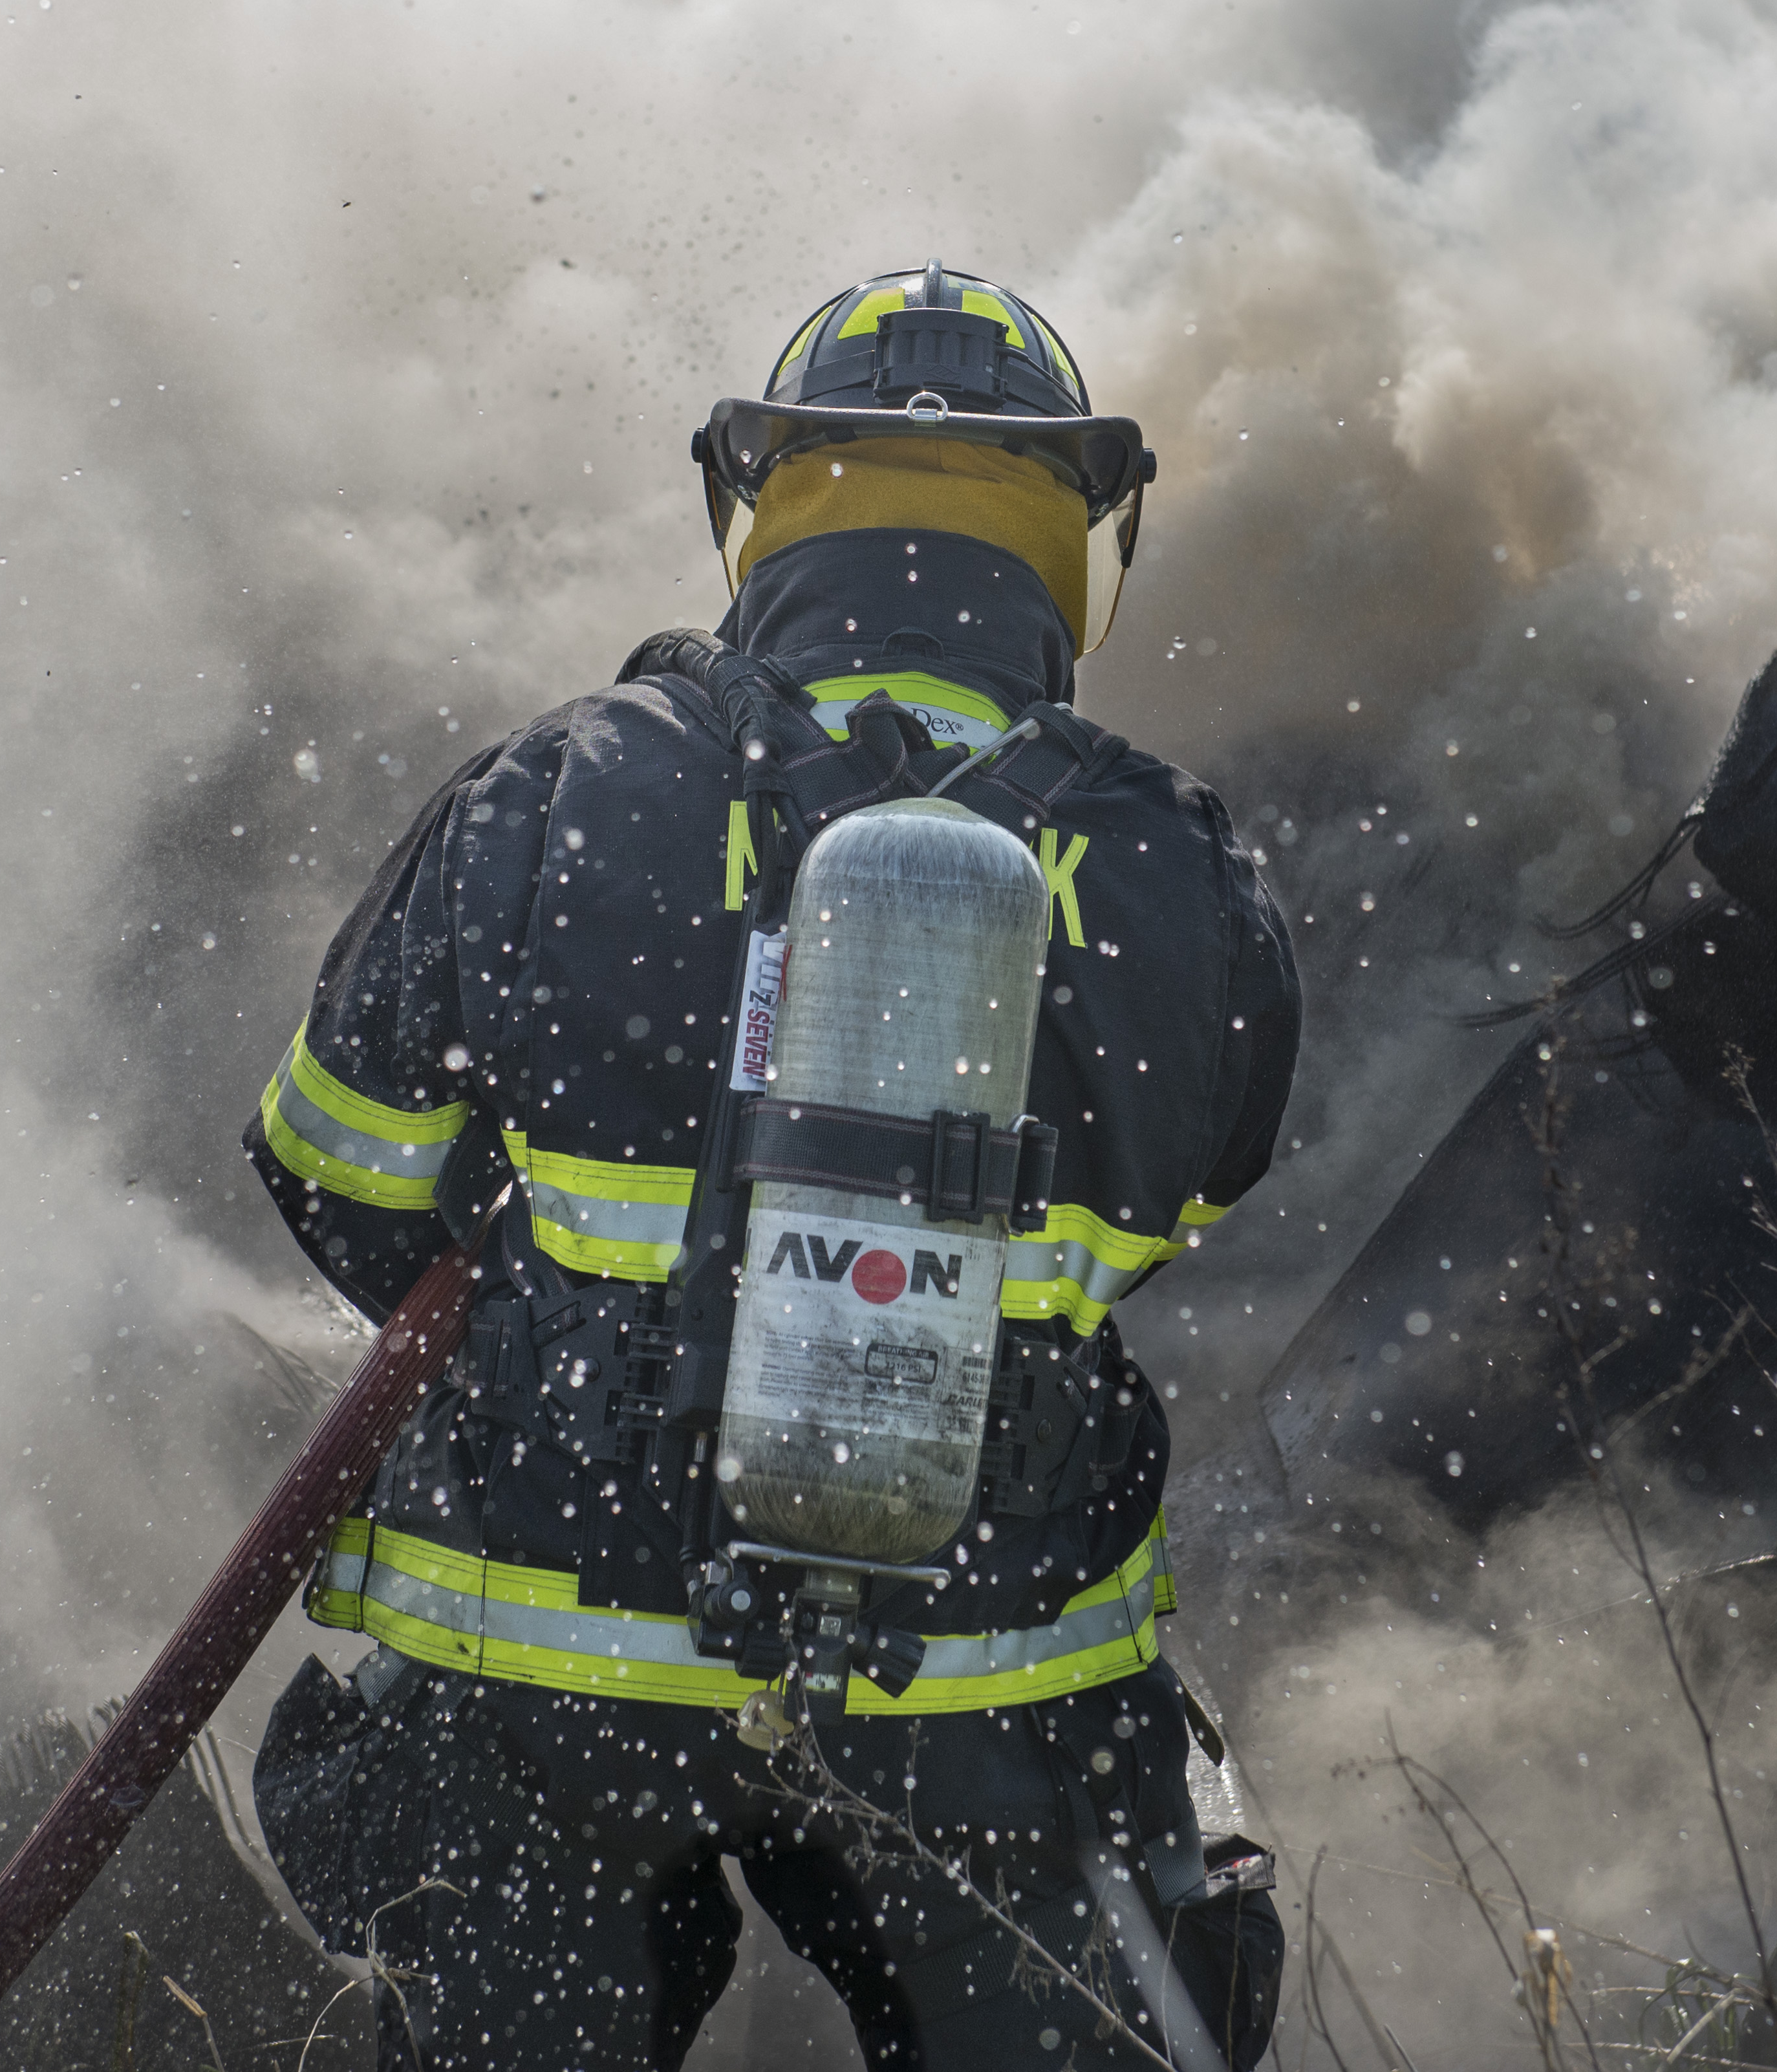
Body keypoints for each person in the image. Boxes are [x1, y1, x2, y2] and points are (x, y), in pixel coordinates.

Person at [243, 264, 1300, 2067]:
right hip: (988, 1683)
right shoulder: (1172, 869)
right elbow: (1183, 1200)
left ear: (769, 506)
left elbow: (333, 1166)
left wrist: (590, 1309)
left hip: (544, 1664)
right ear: (1072, 537)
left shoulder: (553, 792)